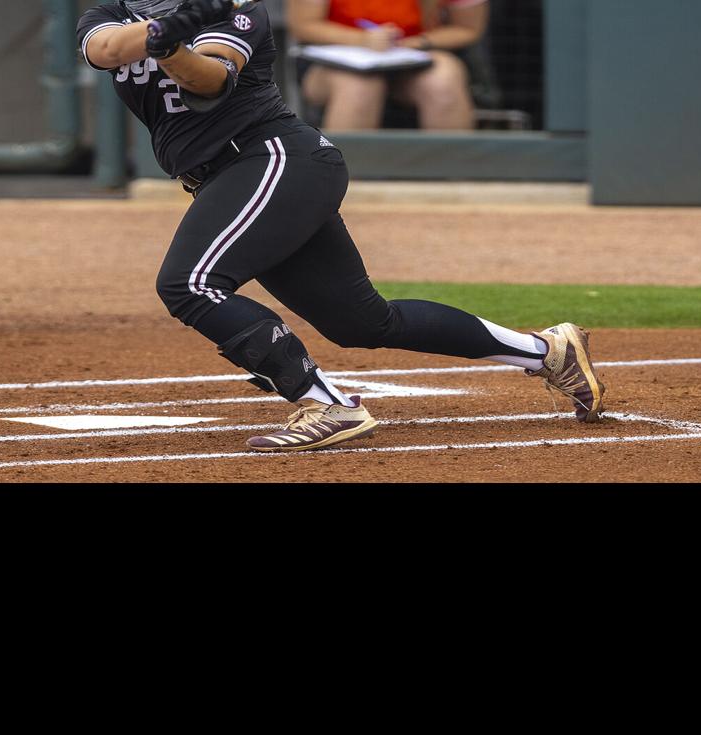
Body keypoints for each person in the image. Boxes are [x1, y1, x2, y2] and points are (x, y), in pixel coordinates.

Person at [76, 0, 602, 452]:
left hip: (272, 159)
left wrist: (170, 47)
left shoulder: (232, 9)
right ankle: (546, 351)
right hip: (230, 176)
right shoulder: (108, 16)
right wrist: (157, 33)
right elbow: (104, 50)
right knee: (361, 323)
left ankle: (325, 405)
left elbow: (209, 80)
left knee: (190, 284)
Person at [288, 0, 486, 131]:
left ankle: (452, 181)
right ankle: (346, 181)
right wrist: (361, 39)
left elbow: (467, 28)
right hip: (333, 62)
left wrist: (420, 42)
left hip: (413, 55)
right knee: (359, 86)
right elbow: (303, 25)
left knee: (444, 78)